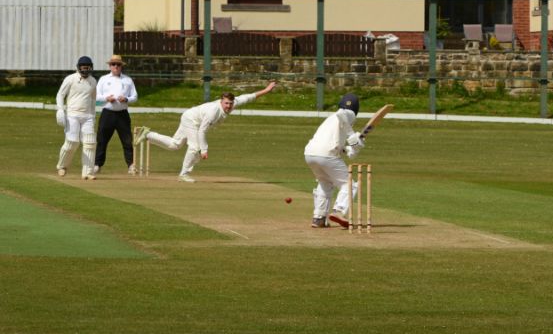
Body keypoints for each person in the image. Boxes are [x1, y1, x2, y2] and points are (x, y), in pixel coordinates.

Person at [135, 82, 277, 182]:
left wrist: (267, 89)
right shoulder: (213, 111)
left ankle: (147, 134)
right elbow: (202, 131)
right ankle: (183, 174)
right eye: (226, 103)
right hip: (192, 120)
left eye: (230, 103)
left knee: (175, 145)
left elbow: (250, 96)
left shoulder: (234, 103)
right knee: (195, 147)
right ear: (221, 101)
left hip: (190, 117)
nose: (228, 106)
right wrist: (204, 150)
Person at [304, 93, 365, 229]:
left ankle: (319, 218)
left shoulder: (330, 119)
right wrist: (352, 138)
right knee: (349, 184)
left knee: (325, 183)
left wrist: (348, 149)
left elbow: (334, 140)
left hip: (310, 153)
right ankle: (339, 211)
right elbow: (342, 114)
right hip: (326, 154)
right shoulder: (348, 113)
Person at [94, 55, 138, 175]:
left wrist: (126, 99)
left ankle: (131, 165)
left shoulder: (128, 80)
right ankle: (97, 164)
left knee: (127, 141)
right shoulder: (103, 79)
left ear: (121, 66)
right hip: (107, 113)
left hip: (122, 114)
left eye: (118, 65)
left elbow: (135, 97)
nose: (116, 67)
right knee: (102, 140)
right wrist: (106, 98)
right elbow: (96, 96)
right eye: (113, 64)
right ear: (110, 66)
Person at [55, 56, 98, 180]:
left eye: (88, 67)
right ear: (79, 67)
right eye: (84, 67)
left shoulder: (93, 81)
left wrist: (93, 116)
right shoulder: (70, 79)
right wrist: (60, 109)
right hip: (72, 115)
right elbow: (60, 94)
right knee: (72, 142)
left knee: (90, 143)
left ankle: (88, 172)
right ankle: (62, 166)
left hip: (87, 116)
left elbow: (93, 100)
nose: (86, 70)